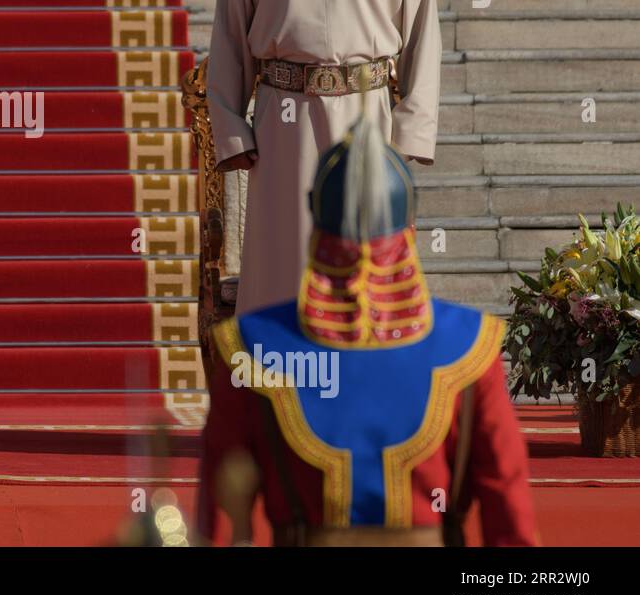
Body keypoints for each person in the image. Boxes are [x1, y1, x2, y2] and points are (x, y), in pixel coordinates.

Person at [195, 101, 538, 546]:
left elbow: (219, 519)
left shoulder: (251, 349)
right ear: (409, 223)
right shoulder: (470, 347)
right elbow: (509, 522)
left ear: (315, 217)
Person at [206, 0, 441, 316]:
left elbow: (423, 32)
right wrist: (232, 130)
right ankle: (279, 365)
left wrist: (410, 129)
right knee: (285, 259)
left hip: (366, 117)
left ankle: (367, 361)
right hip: (283, 122)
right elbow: (228, 39)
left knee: (365, 254)